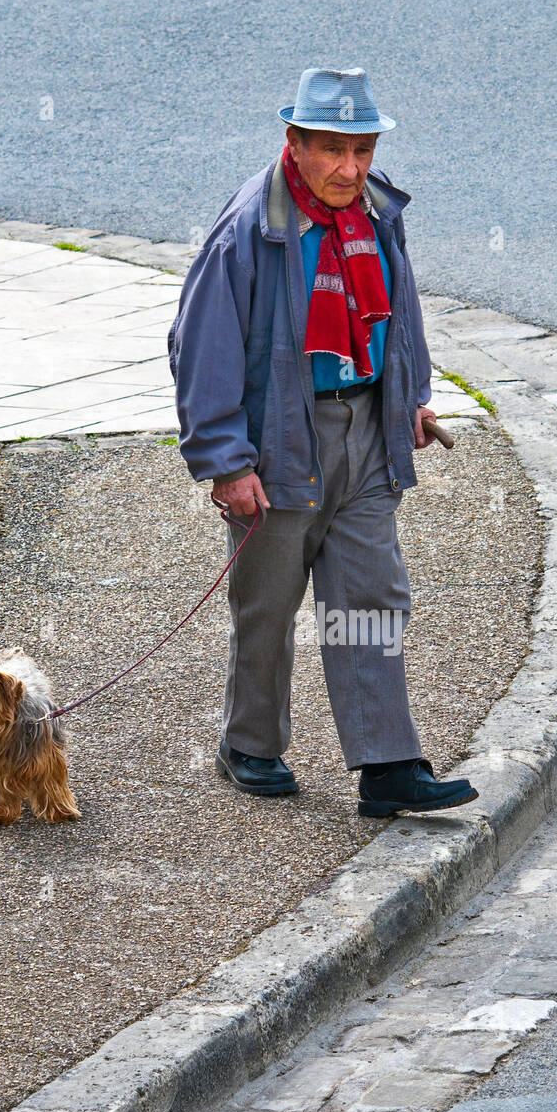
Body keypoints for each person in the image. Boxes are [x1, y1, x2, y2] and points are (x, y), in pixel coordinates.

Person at [168, 66, 478, 818]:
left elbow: (397, 310)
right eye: (333, 151)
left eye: (362, 149)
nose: (350, 169)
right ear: (294, 143)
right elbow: (199, 345)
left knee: (370, 595)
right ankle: (249, 745)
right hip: (279, 443)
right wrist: (223, 461)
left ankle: (387, 765)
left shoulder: (374, 209)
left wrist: (410, 398)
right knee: (267, 605)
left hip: (366, 428)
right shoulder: (251, 228)